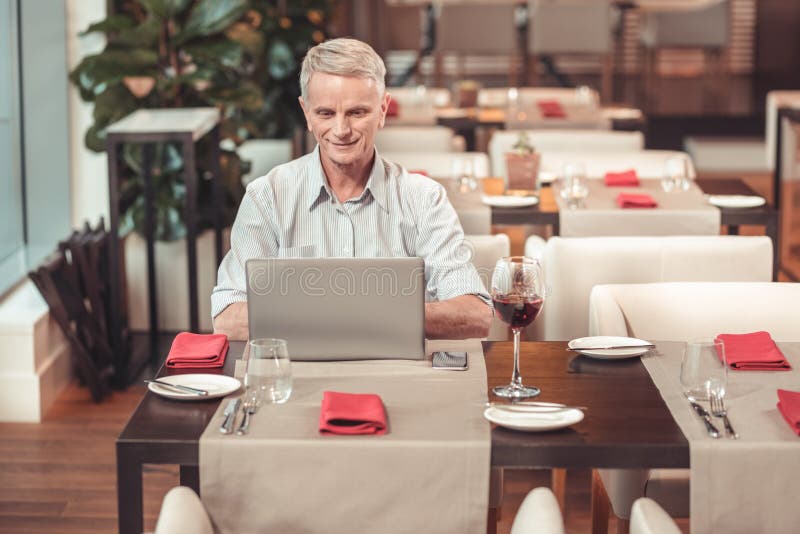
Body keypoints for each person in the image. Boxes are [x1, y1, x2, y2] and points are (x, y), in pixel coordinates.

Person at [211, 38, 492, 341]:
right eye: (326, 113)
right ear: (306, 113)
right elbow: (228, 319)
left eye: (357, 113)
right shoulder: (267, 197)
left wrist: (336, 315)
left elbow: (475, 315)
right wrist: (364, 316)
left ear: (383, 110)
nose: (341, 130)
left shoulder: (424, 199)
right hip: (298, 380)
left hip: (398, 379)